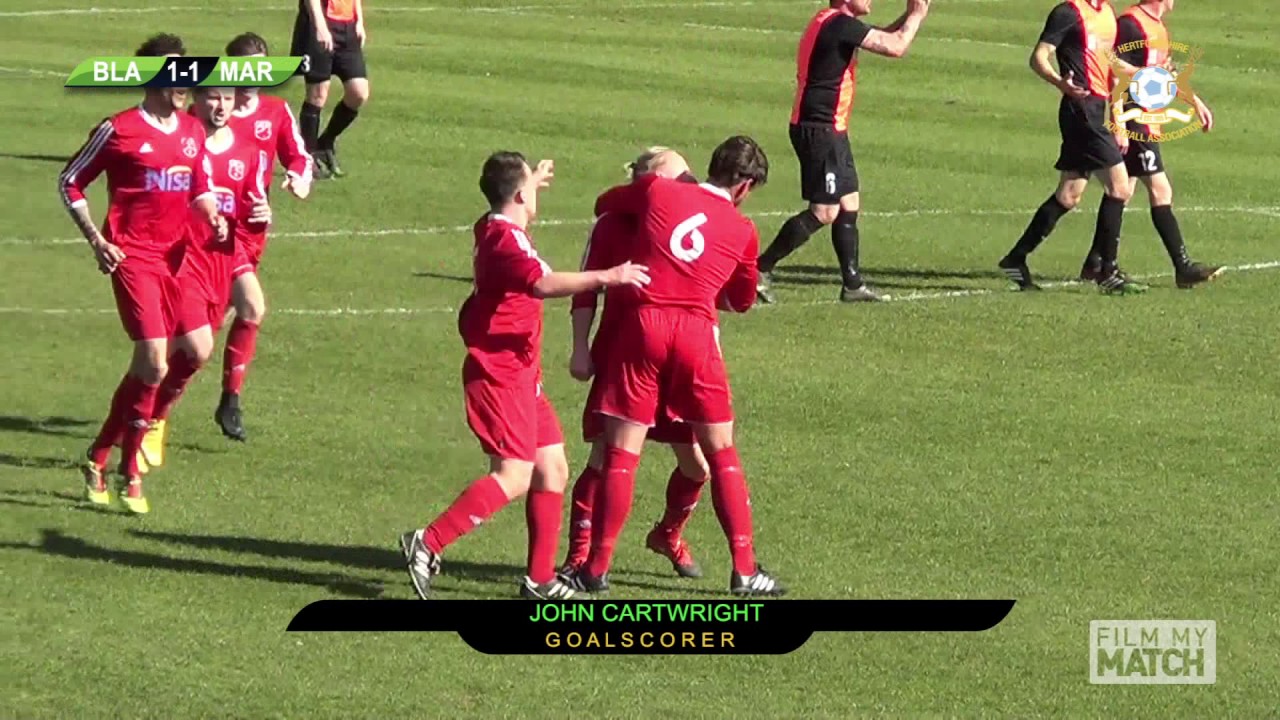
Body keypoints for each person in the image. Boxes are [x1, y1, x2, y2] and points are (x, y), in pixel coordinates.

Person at [399, 152, 651, 600]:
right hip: (498, 374)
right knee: (514, 474)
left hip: (521, 373)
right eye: (529, 188)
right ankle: (428, 542)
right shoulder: (505, 242)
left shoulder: (495, 226)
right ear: (517, 196)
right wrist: (609, 276)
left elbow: (513, 218)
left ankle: (539, 579)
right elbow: (543, 284)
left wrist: (527, 180)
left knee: (552, 468)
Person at [567, 136, 786, 597]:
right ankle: (745, 570)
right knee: (721, 454)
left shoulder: (656, 193)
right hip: (695, 336)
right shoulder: (742, 229)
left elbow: (605, 201)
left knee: (621, 455)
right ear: (745, 186)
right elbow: (741, 300)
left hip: (641, 328)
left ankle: (595, 568)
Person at [58, 33, 224, 514]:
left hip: (179, 257)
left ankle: (97, 454)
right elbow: (69, 182)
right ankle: (129, 470)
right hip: (133, 257)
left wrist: (210, 211)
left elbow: (198, 184)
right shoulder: (119, 129)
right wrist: (97, 239)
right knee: (154, 360)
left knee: (196, 349)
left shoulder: (192, 130)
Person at [562, 147, 710, 580]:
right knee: (605, 458)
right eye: (680, 181)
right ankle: (580, 558)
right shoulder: (612, 224)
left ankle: (668, 534)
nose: (688, 189)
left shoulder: (687, 222)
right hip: (624, 353)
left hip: (675, 355)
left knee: (697, 466)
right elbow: (587, 287)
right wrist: (580, 346)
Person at [755, 0, 931, 305]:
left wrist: (910, 13)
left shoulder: (832, 22)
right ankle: (759, 268)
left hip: (829, 128)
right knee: (825, 211)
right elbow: (896, 46)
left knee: (849, 202)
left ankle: (852, 285)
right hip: (820, 129)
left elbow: (880, 35)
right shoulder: (839, 25)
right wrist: (916, 16)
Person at [141, 87, 274, 469]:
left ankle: (228, 400)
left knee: (253, 306)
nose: (221, 106)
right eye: (213, 98)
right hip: (184, 256)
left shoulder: (249, 153)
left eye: (228, 99)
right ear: (196, 100)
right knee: (193, 350)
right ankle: (151, 417)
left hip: (226, 253)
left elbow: (251, 208)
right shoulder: (179, 144)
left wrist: (262, 215)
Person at [997, 0, 1146, 294]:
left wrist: (1142, 76)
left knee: (1069, 195)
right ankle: (1107, 271)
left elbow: (1110, 63)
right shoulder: (1068, 12)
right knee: (1119, 187)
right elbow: (1038, 57)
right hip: (1080, 109)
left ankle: (1016, 258)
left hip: (1096, 109)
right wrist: (1059, 82)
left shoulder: (1107, 14)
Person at [210, 32, 314, 443]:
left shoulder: (275, 111)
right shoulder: (212, 112)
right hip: (215, 232)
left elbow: (299, 156)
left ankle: (152, 405)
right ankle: (230, 400)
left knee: (206, 331)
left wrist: (298, 178)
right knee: (251, 307)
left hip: (253, 233)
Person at [1078, 0, 1220, 288]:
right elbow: (1113, 74)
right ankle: (1183, 267)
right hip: (1135, 118)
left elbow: (1163, 76)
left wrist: (1195, 102)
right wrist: (1118, 122)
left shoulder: (1158, 28)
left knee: (1123, 190)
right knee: (1160, 189)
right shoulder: (1131, 25)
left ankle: (1096, 262)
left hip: (1148, 120)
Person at [292, 0, 369, 178]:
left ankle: (325, 143)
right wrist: (319, 25)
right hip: (320, 22)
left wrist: (359, 20)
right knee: (317, 94)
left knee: (359, 92)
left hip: (347, 25)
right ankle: (308, 157)